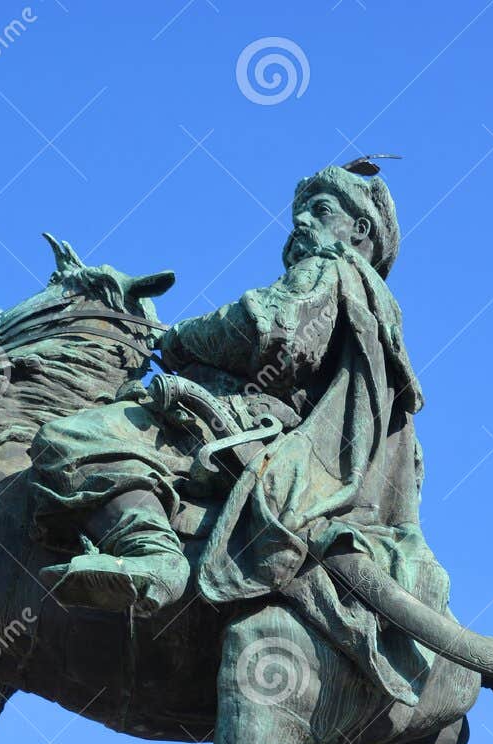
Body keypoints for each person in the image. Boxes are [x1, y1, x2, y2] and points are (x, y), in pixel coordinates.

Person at [32, 161, 453, 709]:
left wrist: (178, 337)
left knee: (71, 438)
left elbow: (273, 329)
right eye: (299, 211)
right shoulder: (377, 305)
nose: (301, 220)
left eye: (320, 210)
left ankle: (152, 556)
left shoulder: (330, 270)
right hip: (270, 432)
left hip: (245, 425)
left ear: (360, 230)